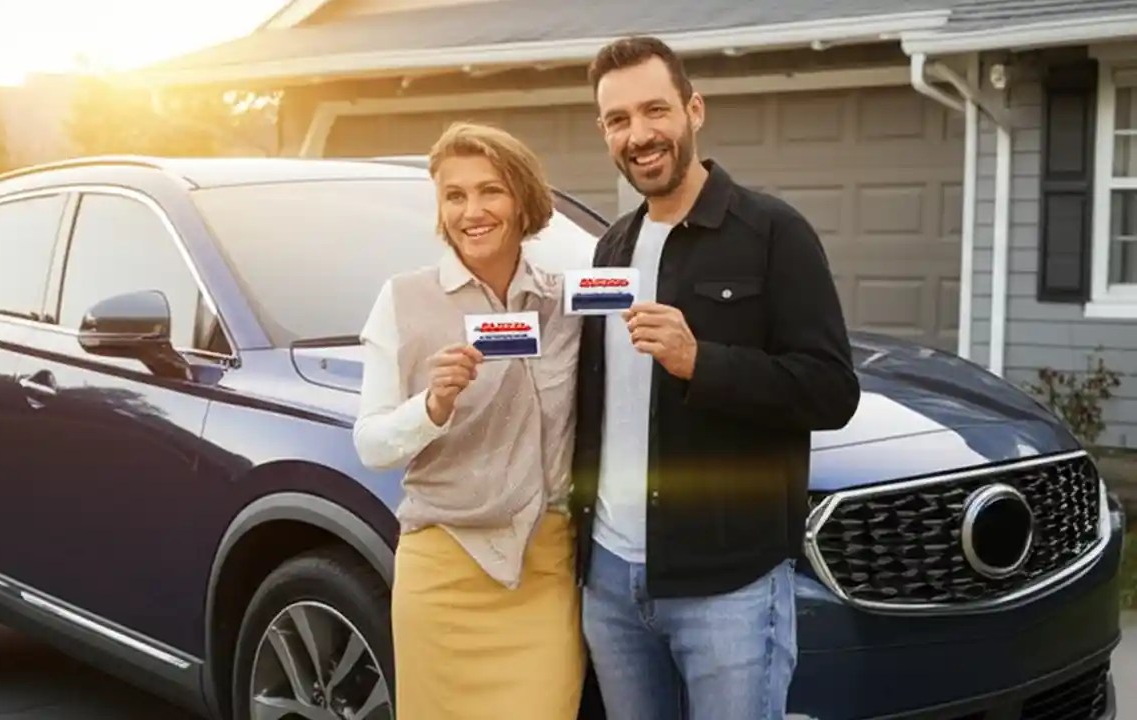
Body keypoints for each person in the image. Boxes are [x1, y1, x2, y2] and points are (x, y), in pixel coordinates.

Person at [569, 36, 862, 719]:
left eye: (655, 110)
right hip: (611, 584)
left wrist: (702, 361)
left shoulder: (772, 233)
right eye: (618, 120)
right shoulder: (609, 248)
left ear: (694, 109)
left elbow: (830, 389)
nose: (639, 135)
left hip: (728, 589)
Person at [352, 121, 587, 720]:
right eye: (454, 196)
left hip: (544, 570)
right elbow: (372, 444)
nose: (472, 211)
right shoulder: (402, 300)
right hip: (443, 574)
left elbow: (652, 306)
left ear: (524, 200)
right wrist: (430, 407)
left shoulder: (570, 303)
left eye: (491, 191)